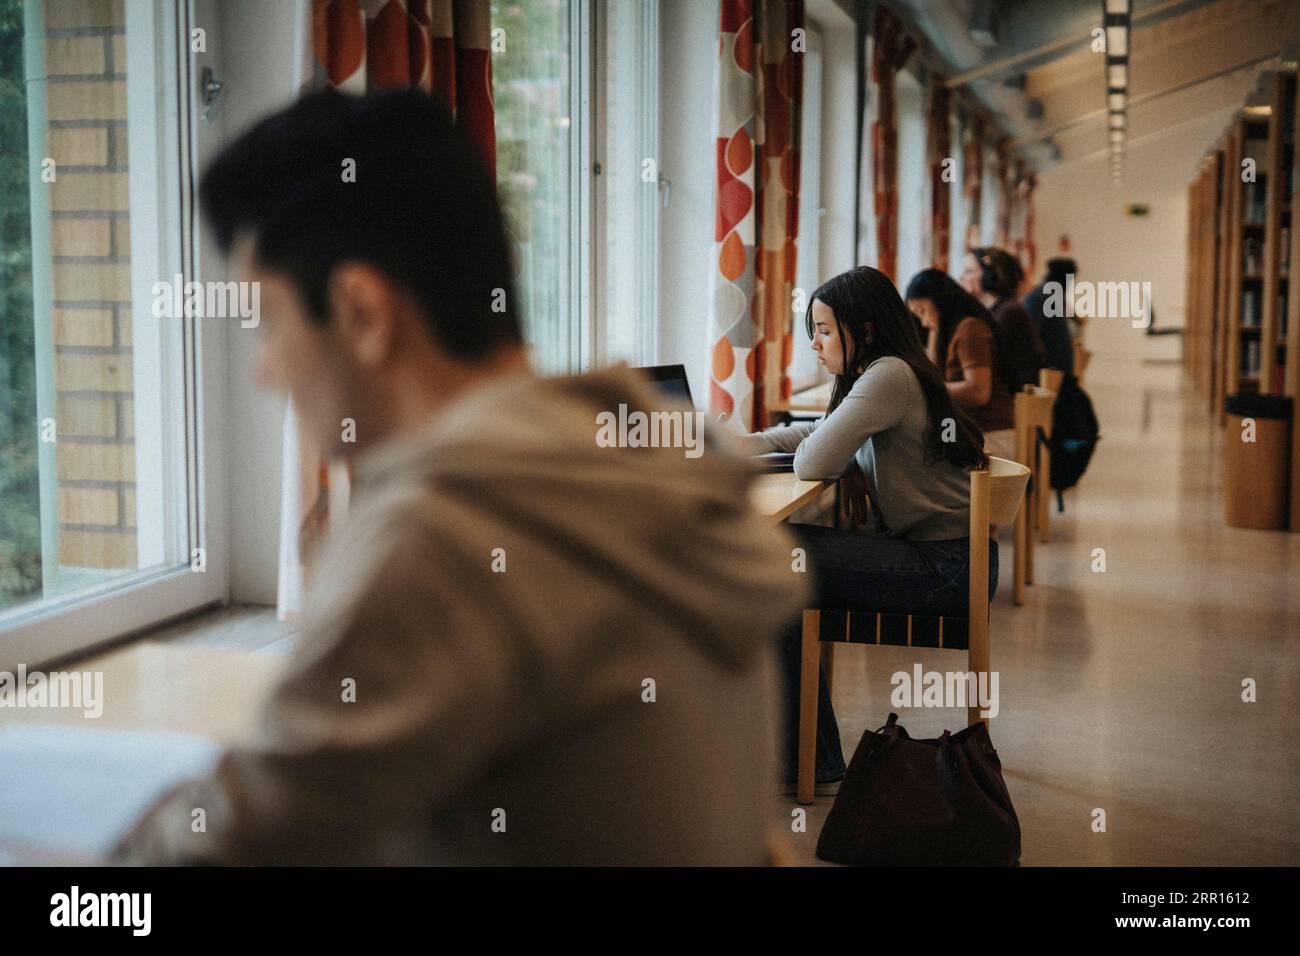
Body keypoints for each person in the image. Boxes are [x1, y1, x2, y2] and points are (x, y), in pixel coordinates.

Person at [111, 89, 808, 865]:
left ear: (362, 313)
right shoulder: (644, 461)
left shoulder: (448, 531)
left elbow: (232, 848)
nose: (263, 372)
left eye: (268, 325)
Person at [738, 266, 995, 791]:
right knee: (782, 557)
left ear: (867, 330)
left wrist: (844, 454)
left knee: (772, 556)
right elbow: (816, 432)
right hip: (953, 557)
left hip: (946, 568)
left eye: (826, 330)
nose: (815, 343)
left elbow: (813, 461)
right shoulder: (892, 372)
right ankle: (807, 757)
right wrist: (738, 443)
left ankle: (805, 758)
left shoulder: (887, 376)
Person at [905, 268, 1016, 460]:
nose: (922, 322)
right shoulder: (944, 332)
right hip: (971, 431)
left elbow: (978, 392)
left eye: (922, 311)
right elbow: (934, 373)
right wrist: (934, 334)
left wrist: (928, 388)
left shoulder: (969, 329)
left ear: (940, 302)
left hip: (992, 434)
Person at [960, 247, 1044, 394]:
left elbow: (997, 369)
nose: (962, 277)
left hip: (1012, 402)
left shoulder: (1008, 313)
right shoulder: (991, 310)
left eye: (969, 271)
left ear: (988, 276)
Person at [1022, 257, 1077, 375]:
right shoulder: (1043, 296)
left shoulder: (1052, 295)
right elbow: (1029, 336)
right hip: (1047, 374)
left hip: (1054, 373)